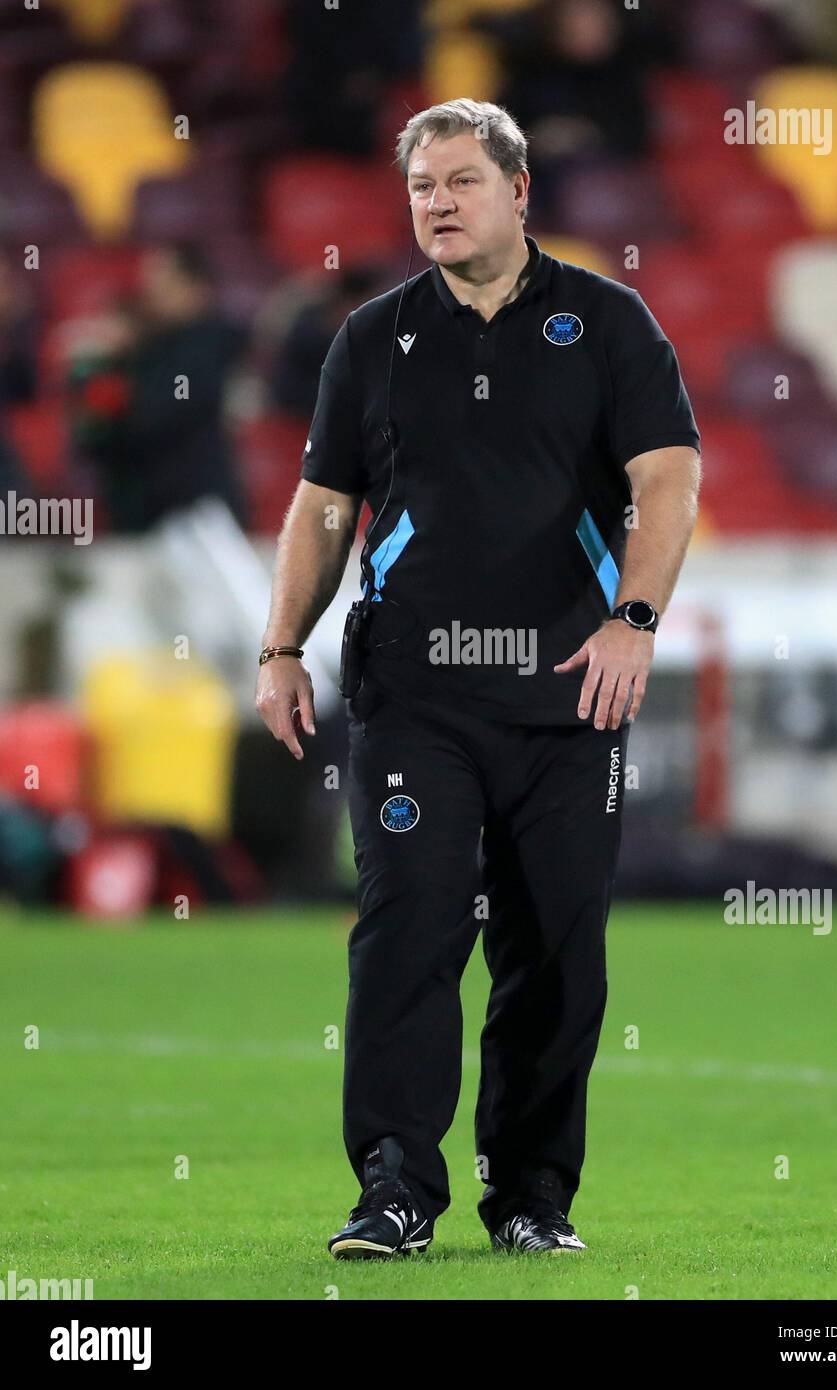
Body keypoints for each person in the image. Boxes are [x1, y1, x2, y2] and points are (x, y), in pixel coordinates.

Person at [256, 98, 701, 1259]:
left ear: (517, 190)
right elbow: (321, 507)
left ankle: (531, 1197)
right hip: (415, 694)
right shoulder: (369, 338)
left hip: (567, 692)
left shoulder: (609, 324)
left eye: (459, 181)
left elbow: (666, 480)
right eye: (420, 188)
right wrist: (280, 647)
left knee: (554, 946)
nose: (437, 205)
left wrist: (634, 620)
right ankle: (395, 1190)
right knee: (407, 928)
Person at [72, 243, 247, 533]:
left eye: (164, 285)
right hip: (142, 508)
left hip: (197, 508)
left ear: (197, 288)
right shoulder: (145, 349)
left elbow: (159, 416)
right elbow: (95, 436)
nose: (152, 295)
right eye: (149, 285)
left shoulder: (211, 345)